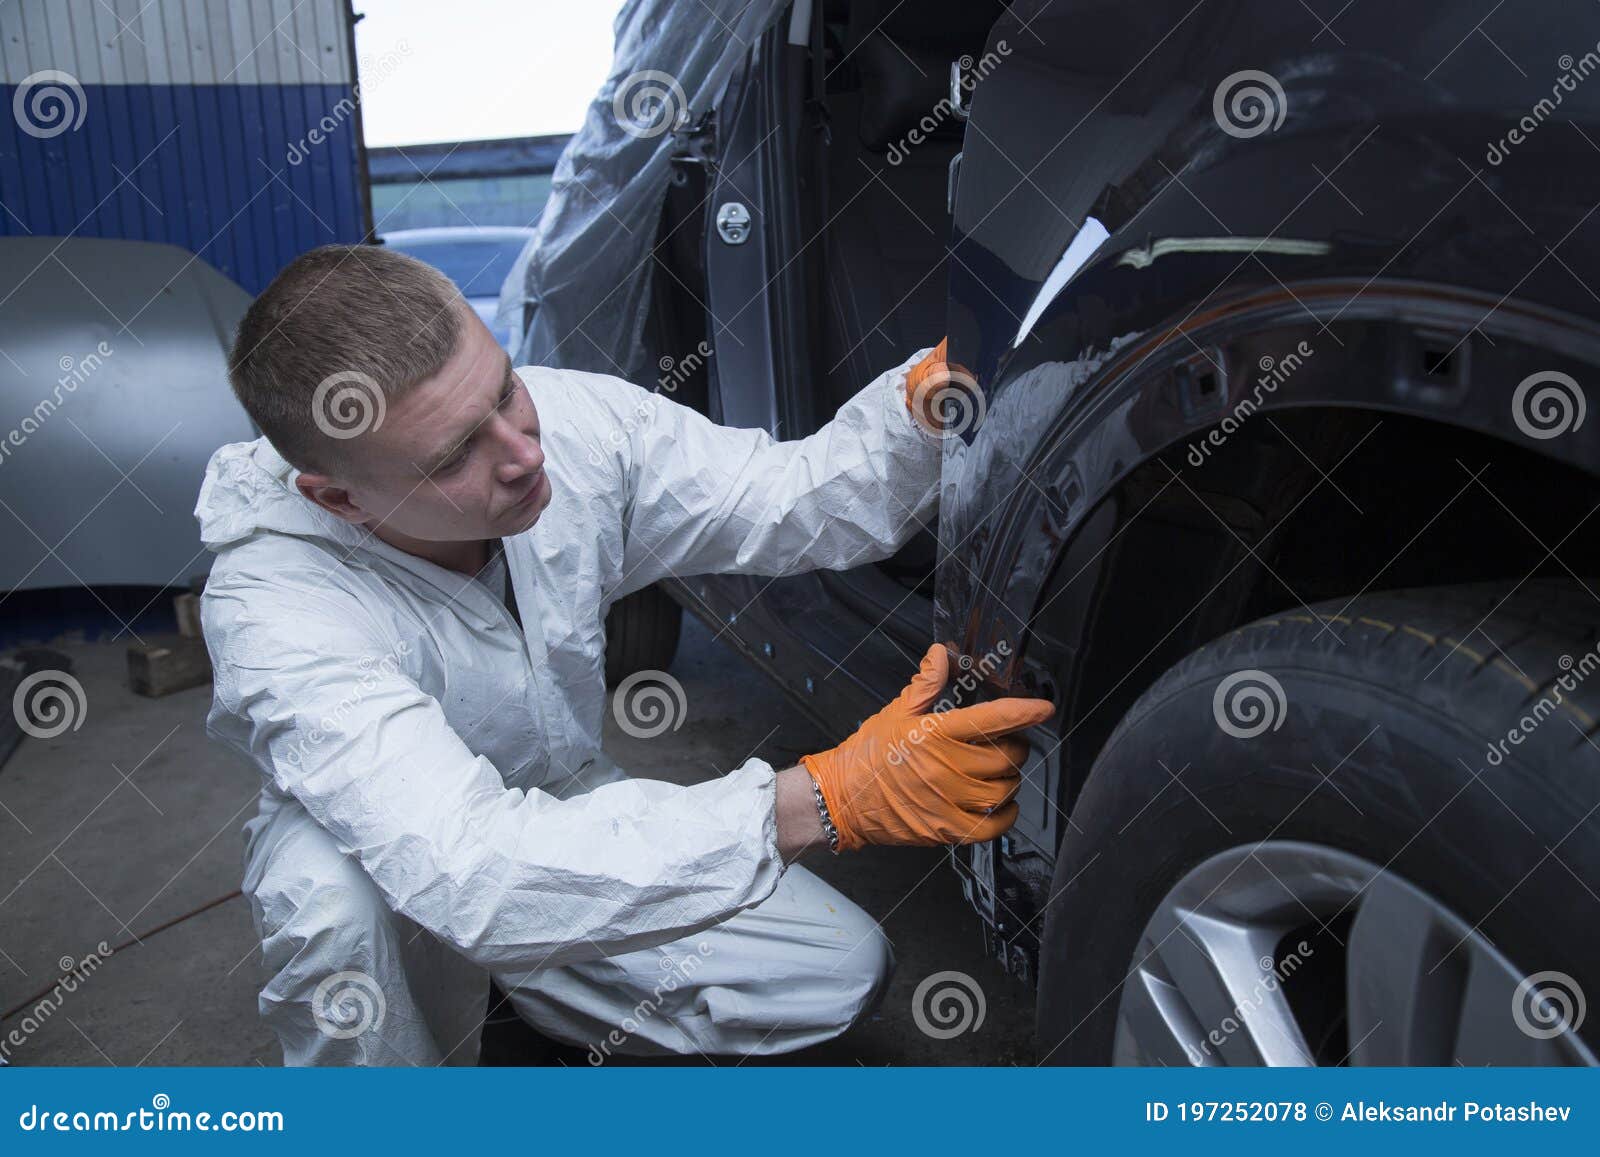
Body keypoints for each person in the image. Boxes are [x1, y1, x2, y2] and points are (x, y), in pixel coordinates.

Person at [197, 244, 1052, 1066]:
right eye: (457, 452)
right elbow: (471, 864)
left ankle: (539, 977)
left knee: (833, 970)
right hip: (395, 855)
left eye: (504, 389)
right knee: (330, 914)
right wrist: (825, 796)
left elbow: (783, 497)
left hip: (558, 794)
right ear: (340, 497)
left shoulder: (573, 425)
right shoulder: (276, 608)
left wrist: (917, 407)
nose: (525, 452)